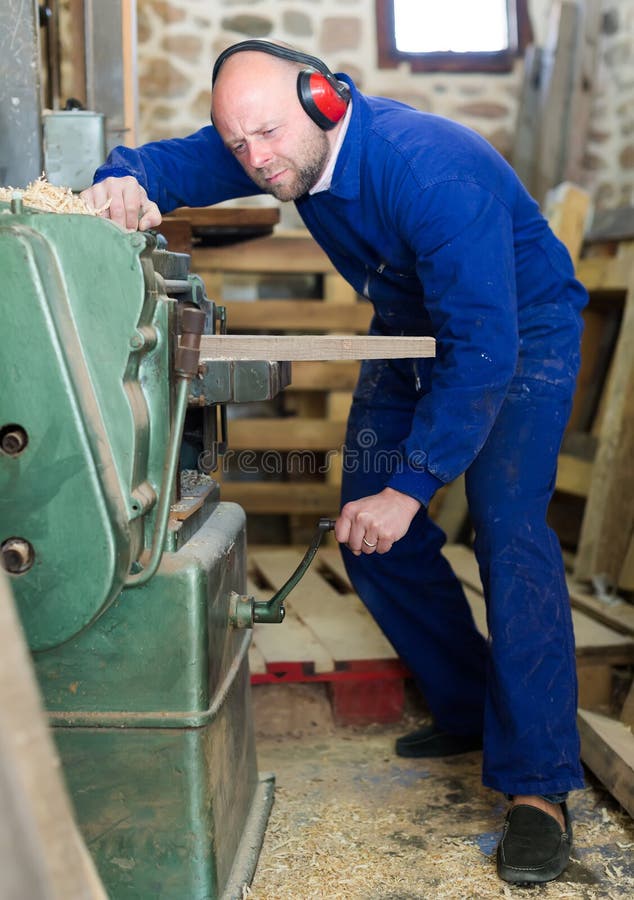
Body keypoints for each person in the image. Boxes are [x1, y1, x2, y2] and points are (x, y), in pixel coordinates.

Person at [82, 39, 587, 884]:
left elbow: (483, 351)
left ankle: (539, 789)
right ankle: (468, 706)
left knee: (507, 532)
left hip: (517, 337)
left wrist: (416, 483)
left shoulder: (429, 171)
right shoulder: (275, 143)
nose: (253, 158)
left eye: (266, 135)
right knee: (369, 532)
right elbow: (173, 164)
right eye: (238, 142)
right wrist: (122, 177)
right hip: (407, 324)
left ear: (325, 97)